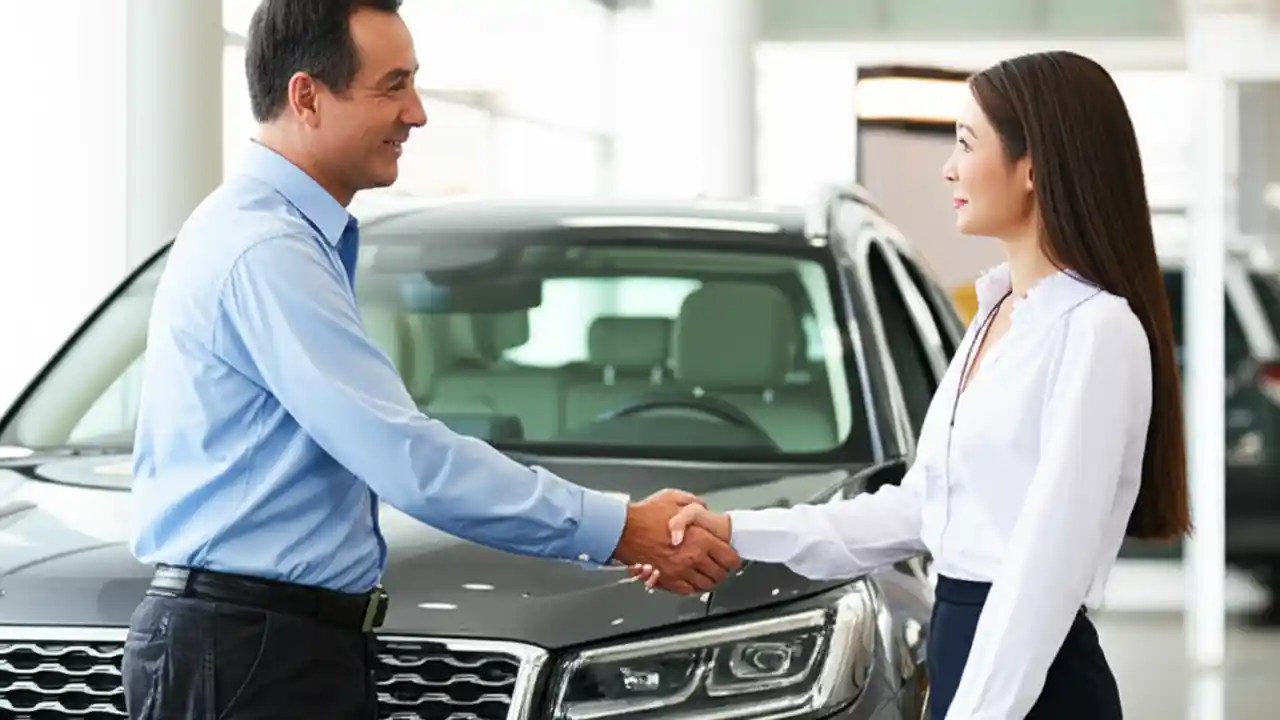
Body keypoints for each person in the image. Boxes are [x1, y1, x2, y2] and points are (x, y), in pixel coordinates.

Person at [121, 1, 739, 718]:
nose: (417, 114)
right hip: (249, 655)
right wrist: (618, 527)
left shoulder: (277, 235)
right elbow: (403, 455)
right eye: (393, 86)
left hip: (273, 644)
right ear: (307, 96)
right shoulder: (268, 249)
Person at [632, 51, 1191, 719]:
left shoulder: (1097, 331)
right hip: (968, 653)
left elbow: (1047, 567)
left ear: (1034, 165)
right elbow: (918, 510)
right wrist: (733, 530)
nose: (949, 168)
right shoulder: (994, 314)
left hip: (1030, 684)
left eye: (965, 143)